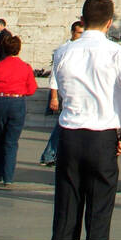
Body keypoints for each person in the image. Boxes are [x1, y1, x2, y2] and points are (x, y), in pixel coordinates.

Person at [51, 0, 121, 240]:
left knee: (66, 213)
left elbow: (60, 92)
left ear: (82, 20)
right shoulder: (118, 53)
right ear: (109, 23)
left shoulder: (62, 53)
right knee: (99, 216)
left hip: (70, 135)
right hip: (103, 137)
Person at [0, 33, 38, 185]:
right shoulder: (25, 67)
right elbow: (32, 89)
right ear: (19, 49)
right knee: (11, 141)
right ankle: (8, 177)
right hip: (17, 103)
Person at [40, 20, 84, 166]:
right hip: (68, 93)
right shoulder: (64, 49)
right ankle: (50, 154)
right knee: (63, 125)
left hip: (81, 93)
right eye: (79, 33)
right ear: (72, 32)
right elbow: (54, 76)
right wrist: (54, 97)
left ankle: (54, 155)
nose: (81, 35)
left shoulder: (84, 48)